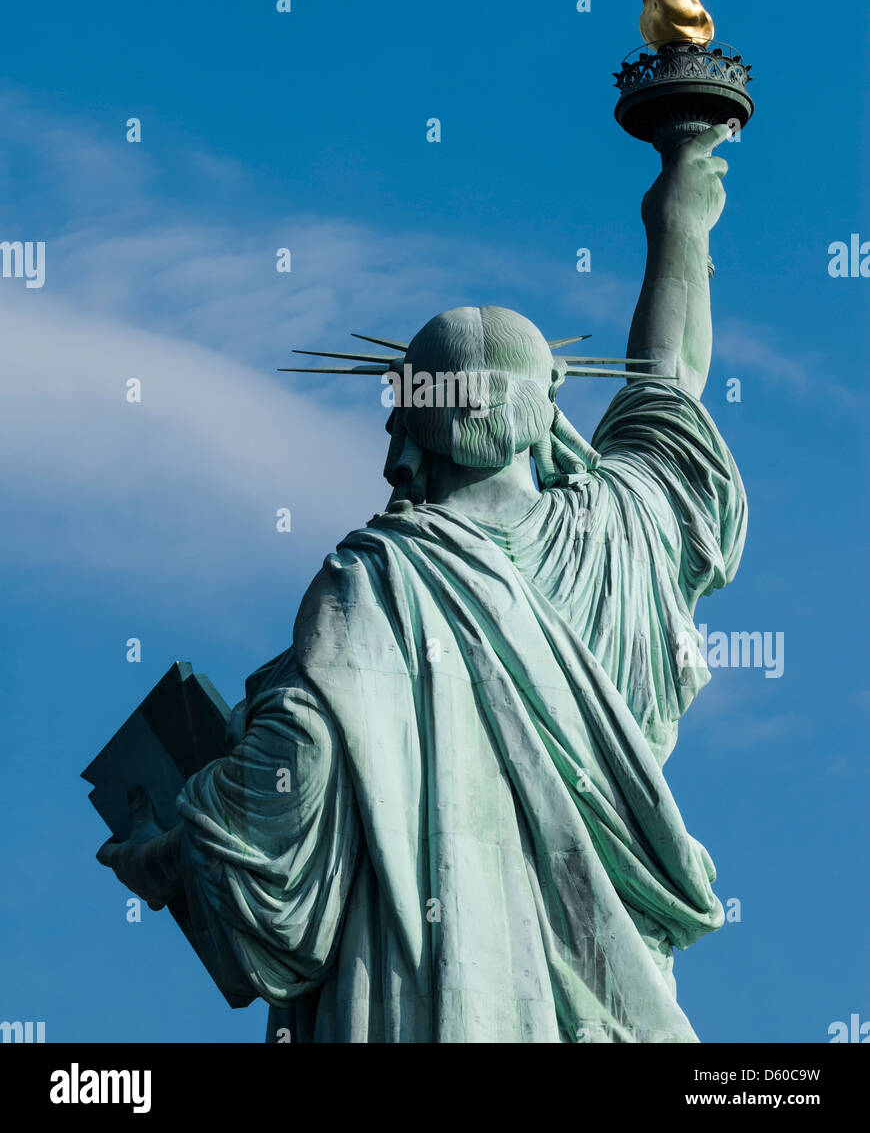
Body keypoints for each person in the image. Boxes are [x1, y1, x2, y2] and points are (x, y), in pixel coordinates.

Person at [98, 125, 746, 1042]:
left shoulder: (377, 584)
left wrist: (165, 850)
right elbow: (668, 383)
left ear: (410, 440)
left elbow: (286, 795)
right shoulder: (622, 540)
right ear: (541, 417)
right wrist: (681, 211)